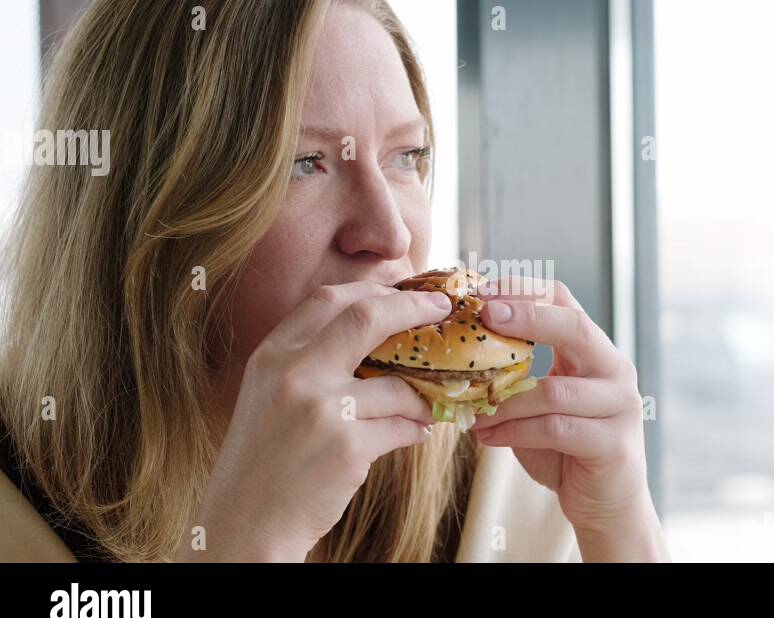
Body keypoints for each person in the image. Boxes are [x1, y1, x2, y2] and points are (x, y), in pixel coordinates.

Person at [0, 0, 669, 563]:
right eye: (305, 164)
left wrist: (620, 529)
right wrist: (249, 540)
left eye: (406, 156)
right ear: (143, 216)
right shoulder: (20, 509)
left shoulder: (505, 470)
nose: (390, 233)